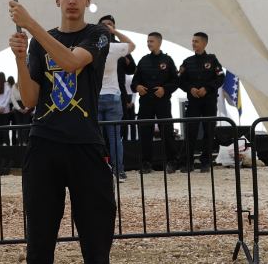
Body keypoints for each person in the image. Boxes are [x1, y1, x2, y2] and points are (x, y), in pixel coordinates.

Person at [8, 0, 121, 264]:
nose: (72, 1)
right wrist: (22, 55)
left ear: (87, 0)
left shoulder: (98, 36)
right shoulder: (39, 41)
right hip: (45, 149)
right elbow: (30, 98)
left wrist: (32, 24)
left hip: (87, 151)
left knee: (96, 250)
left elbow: (72, 62)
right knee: (40, 249)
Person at [96, 15, 136, 181]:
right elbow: (132, 45)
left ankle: (98, 170)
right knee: (115, 138)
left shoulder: (91, 47)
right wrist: (115, 31)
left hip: (96, 96)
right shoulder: (115, 48)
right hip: (113, 96)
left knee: (96, 137)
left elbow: (131, 67)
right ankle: (118, 171)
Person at [178, 32, 224, 172]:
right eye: (192, 41)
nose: (193, 44)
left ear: (204, 43)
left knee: (209, 131)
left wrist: (207, 88)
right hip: (193, 102)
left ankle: (205, 162)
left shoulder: (212, 60)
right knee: (190, 131)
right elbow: (180, 80)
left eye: (196, 41)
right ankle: (188, 162)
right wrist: (190, 88)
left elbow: (220, 78)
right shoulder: (187, 62)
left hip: (209, 101)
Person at [133, 32, 177, 172]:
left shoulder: (168, 60)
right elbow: (135, 82)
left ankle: (171, 162)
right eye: (148, 41)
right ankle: (146, 163)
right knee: (145, 132)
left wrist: (165, 89)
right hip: (145, 102)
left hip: (162, 101)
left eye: (151, 41)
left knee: (167, 131)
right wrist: (138, 87)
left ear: (159, 42)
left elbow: (176, 81)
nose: (149, 43)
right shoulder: (143, 60)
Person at [0, 73, 15, 151]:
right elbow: (8, 99)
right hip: (6, 111)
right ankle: (6, 145)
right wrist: (3, 107)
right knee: (5, 129)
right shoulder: (8, 87)